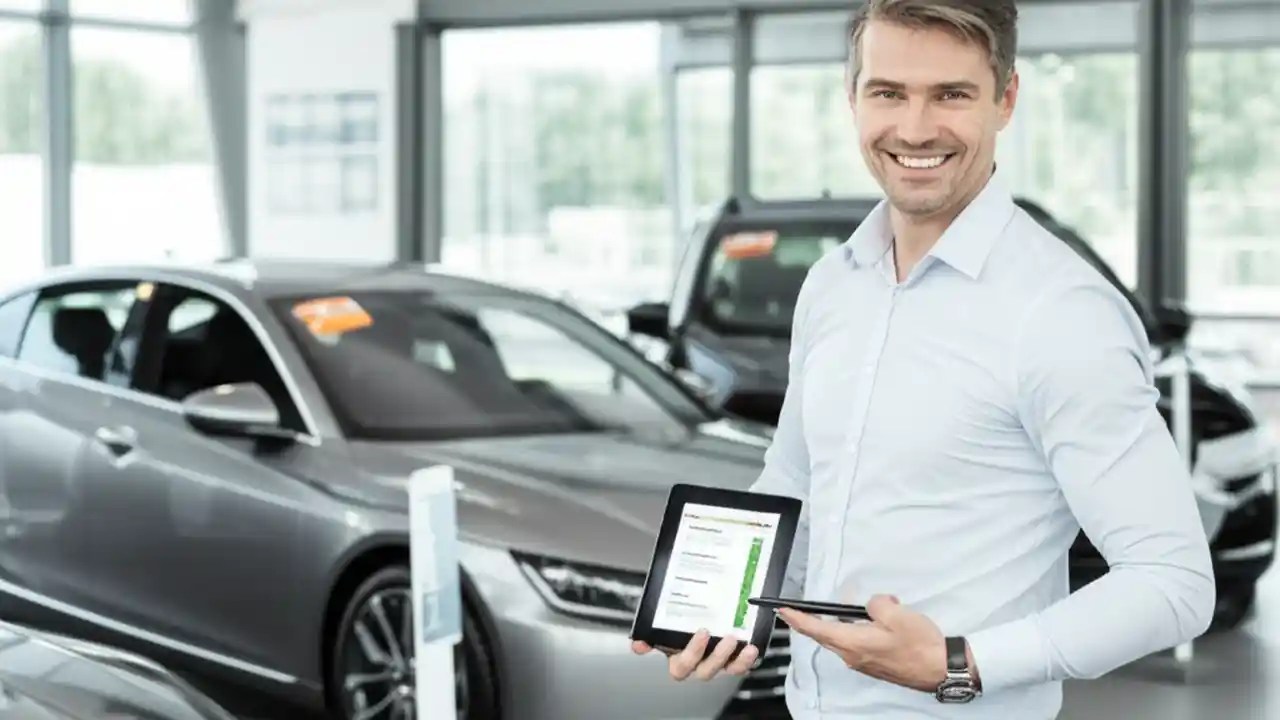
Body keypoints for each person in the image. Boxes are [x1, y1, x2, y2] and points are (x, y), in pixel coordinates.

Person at [631, 0, 1216, 717]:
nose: (914, 129)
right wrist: (713, 598)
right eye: (888, 93)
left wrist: (956, 664)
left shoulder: (1061, 313)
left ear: (1006, 99)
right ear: (852, 98)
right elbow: (794, 483)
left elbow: (1174, 582)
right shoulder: (832, 284)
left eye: (951, 94)